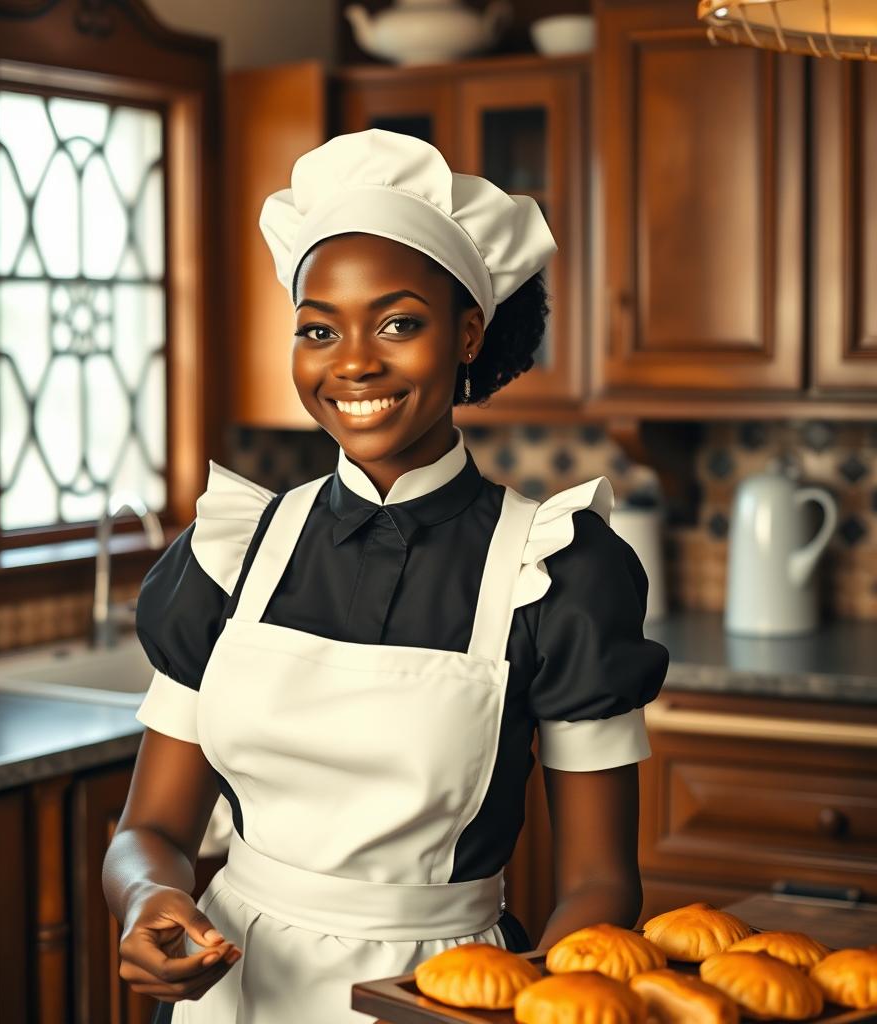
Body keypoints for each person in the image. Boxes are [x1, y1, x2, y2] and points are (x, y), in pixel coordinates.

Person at [102, 128, 670, 1024]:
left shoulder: (558, 571)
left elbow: (600, 883)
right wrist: (149, 899)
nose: (354, 361)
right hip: (230, 993)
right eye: (318, 329)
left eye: (398, 323)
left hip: (442, 999)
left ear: (468, 334)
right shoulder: (228, 552)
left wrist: (536, 1006)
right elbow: (153, 831)